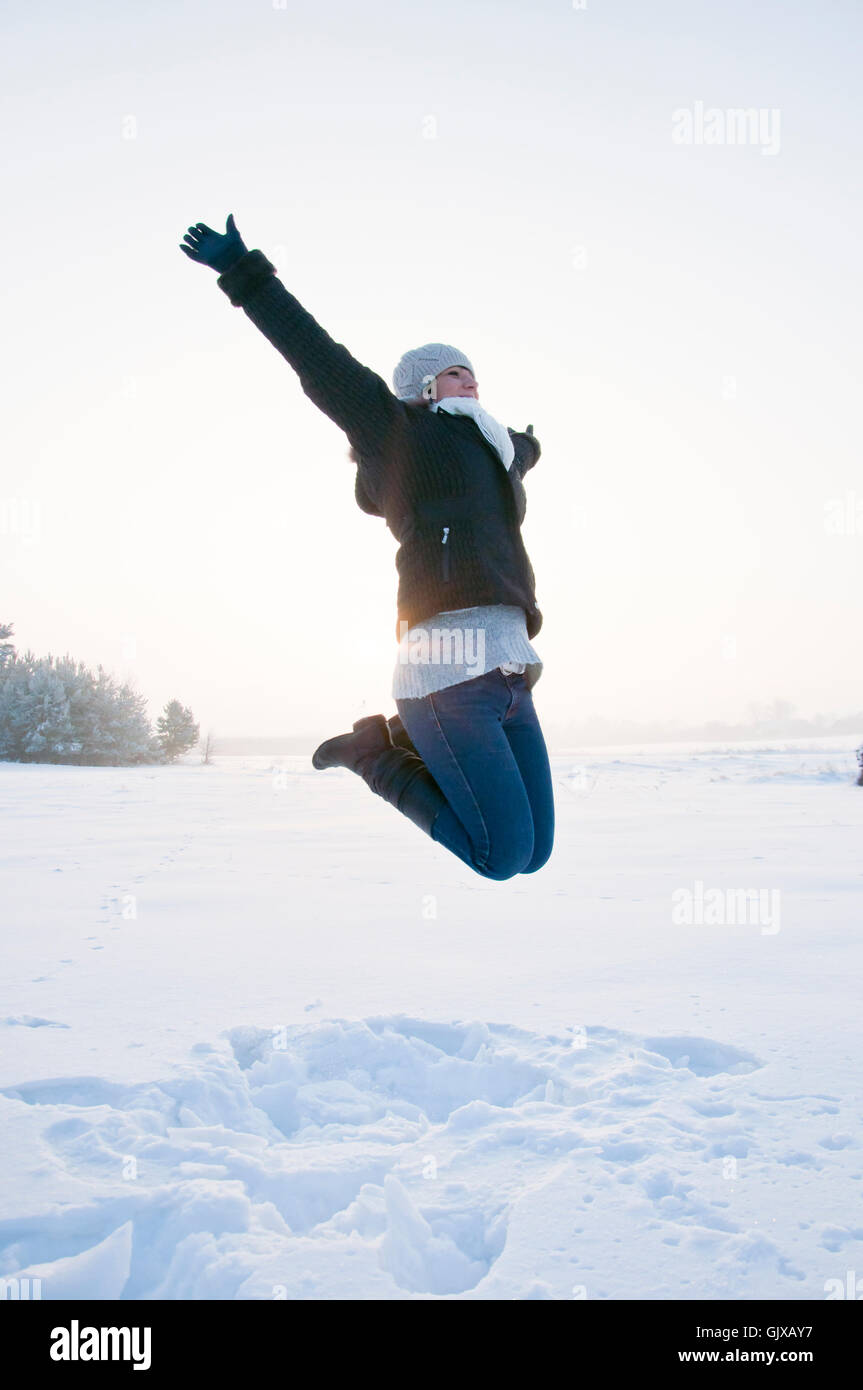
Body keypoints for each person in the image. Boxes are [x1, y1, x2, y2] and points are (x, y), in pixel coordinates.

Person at [180, 215, 554, 879]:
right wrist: (245, 274)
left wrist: (527, 444)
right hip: (446, 674)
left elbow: (520, 452)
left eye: (474, 372)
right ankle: (373, 754)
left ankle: (410, 740)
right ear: (421, 388)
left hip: (509, 675)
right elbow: (316, 357)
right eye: (454, 372)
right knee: (499, 856)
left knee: (535, 854)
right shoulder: (398, 433)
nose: (471, 380)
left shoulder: (496, 454)